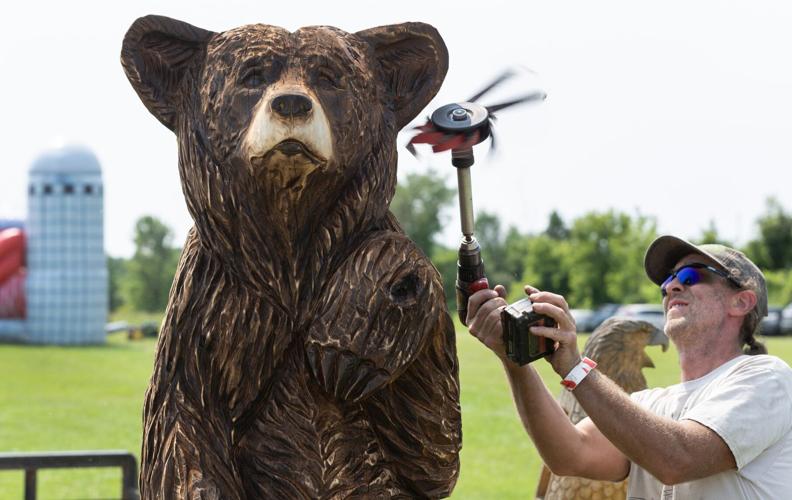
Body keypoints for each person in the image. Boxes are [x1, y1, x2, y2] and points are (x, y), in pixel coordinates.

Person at [467, 235, 792, 499]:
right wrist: (514, 360)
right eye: (669, 279)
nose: (671, 287)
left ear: (741, 302)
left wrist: (575, 368)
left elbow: (678, 458)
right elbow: (569, 454)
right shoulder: (649, 404)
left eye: (691, 276)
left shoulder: (768, 379)